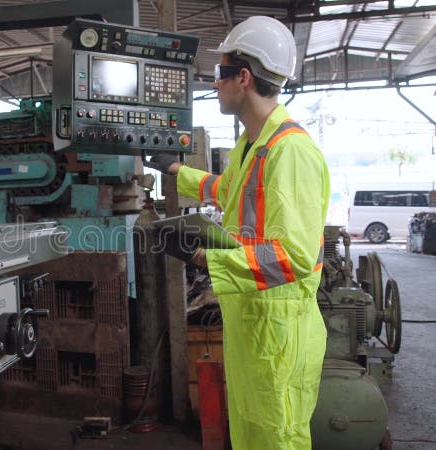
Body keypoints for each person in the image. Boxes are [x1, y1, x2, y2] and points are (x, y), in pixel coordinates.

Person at [145, 16, 330, 450]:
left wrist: (204, 259)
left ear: (242, 78)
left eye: (219, 74)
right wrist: (173, 169)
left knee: (276, 437)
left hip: (279, 330)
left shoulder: (291, 152)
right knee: (250, 433)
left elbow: (294, 256)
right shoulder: (256, 145)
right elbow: (228, 191)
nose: (214, 84)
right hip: (254, 321)